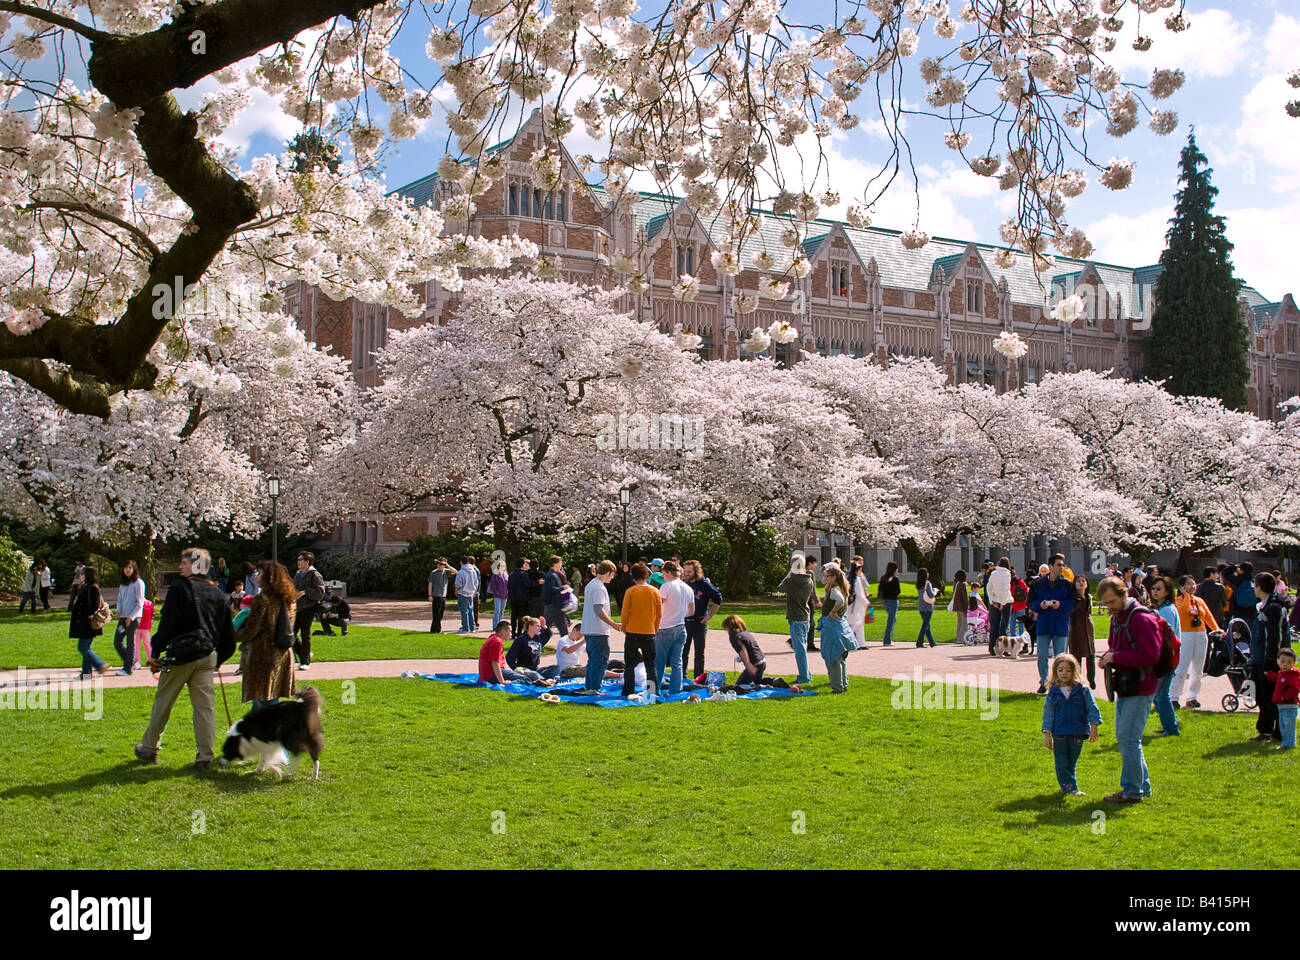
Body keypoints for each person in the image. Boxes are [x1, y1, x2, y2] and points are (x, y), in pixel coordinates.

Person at [134, 548, 236, 770]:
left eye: (184, 563)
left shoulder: (180, 588)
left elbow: (168, 624)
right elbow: (228, 636)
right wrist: (218, 660)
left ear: (196, 566)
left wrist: (155, 652)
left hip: (181, 655)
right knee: (204, 709)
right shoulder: (218, 594)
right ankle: (205, 757)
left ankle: (150, 748)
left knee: (164, 703)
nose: (180, 567)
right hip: (207, 655)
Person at [1096, 575, 1161, 803]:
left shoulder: (1141, 619)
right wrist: (1109, 657)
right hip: (1125, 684)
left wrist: (1117, 656)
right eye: (1106, 603)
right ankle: (1142, 785)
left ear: (1124, 594)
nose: (1110, 607)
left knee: (1128, 739)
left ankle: (1132, 791)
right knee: (1128, 738)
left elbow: (1151, 654)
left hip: (1142, 685)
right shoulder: (1118, 617)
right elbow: (1116, 646)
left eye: (1112, 601)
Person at [237, 560, 296, 711]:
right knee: (270, 696)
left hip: (263, 654)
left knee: (263, 700)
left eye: (259, 573)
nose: (256, 576)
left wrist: (234, 635)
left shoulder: (263, 599)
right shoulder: (289, 599)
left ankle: (269, 732)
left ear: (268, 577)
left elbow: (251, 630)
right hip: (282, 652)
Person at [1041, 653, 1102, 796]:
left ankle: (1069, 786)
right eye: (1060, 670)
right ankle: (1070, 788)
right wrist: (1047, 734)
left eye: (1068, 670)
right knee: (1062, 762)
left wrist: (1094, 726)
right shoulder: (1054, 692)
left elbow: (1092, 708)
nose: (1064, 673)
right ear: (1055, 671)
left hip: (1077, 731)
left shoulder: (1082, 690)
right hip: (1060, 732)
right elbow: (1048, 713)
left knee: (1071, 762)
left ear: (1074, 671)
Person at [1249, 571, 1288, 744]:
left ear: (1260, 586)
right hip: (1258, 658)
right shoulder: (1264, 606)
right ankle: (1265, 730)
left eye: (1254, 584)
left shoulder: (1273, 608)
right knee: (1260, 695)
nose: (1253, 587)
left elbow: (1274, 636)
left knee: (1272, 697)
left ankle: (1280, 733)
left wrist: (1272, 661)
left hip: (1268, 660)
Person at [1030, 554, 1075, 694]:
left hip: (1060, 624)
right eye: (1058, 565)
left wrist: (1060, 604)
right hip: (1044, 624)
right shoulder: (1038, 584)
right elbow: (1031, 602)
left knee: (1061, 657)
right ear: (1050, 567)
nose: (1061, 567)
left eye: (1062, 565)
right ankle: (1044, 681)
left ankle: (1061, 683)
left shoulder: (1067, 585)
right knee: (1042, 655)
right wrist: (1040, 605)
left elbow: (1074, 603)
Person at [1171, 574, 1218, 710]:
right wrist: (1186, 597)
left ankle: (1192, 697)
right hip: (1185, 635)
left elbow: (1208, 616)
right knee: (1182, 667)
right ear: (1182, 587)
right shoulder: (1178, 601)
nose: (1192, 586)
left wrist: (1217, 629)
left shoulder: (1199, 601)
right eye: (1189, 584)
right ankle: (1174, 696)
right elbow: (1184, 612)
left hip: (1200, 634)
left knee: (1198, 668)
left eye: (1193, 583)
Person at [618, 562, 661, 697]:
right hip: (648, 631)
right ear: (646, 575)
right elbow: (659, 614)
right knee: (650, 664)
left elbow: (625, 613)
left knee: (630, 664)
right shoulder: (655, 591)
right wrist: (655, 627)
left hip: (632, 631)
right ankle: (653, 691)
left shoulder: (630, 591)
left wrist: (624, 627)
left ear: (633, 576)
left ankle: (628, 691)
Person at [1146, 575, 1181, 736]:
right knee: (1158, 695)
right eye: (1153, 588)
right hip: (1166, 657)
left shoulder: (1166, 610)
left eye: (1159, 589)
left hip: (1164, 658)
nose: (1155, 591)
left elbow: (1163, 636)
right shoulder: (1163, 608)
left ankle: (1171, 727)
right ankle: (1170, 724)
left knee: (1161, 696)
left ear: (1167, 591)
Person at [580, 560, 621, 694]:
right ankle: (594, 688)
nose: (612, 577)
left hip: (590, 629)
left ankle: (590, 687)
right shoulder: (599, 587)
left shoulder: (591, 585)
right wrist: (614, 624)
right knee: (600, 660)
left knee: (593, 660)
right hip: (598, 630)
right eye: (612, 575)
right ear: (608, 572)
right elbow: (599, 610)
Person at [654, 561, 695, 695]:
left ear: (669, 573)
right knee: (677, 662)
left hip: (666, 627)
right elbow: (692, 611)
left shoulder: (666, 587)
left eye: (664, 574)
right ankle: (675, 690)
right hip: (681, 627)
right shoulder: (687, 588)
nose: (663, 577)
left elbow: (658, 608)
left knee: (659, 662)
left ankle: (654, 690)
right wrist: (680, 614)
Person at [681, 559, 722, 683]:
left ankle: (698, 679)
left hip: (699, 622)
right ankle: (682, 677)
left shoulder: (704, 584)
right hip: (685, 622)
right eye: (685, 571)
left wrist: (709, 615)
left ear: (696, 571)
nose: (687, 573)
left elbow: (718, 599)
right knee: (683, 651)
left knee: (699, 653)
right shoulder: (683, 583)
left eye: (689, 571)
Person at [478, 621, 554, 686]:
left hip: (488, 674)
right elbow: (495, 663)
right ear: (503, 631)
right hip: (491, 675)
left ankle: (540, 679)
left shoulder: (492, 638)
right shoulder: (497, 641)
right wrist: (502, 682)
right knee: (526, 679)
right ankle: (510, 684)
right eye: (510, 631)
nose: (511, 634)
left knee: (554, 668)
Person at [778, 556, 815, 685]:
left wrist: (789, 574)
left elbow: (780, 587)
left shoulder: (791, 581)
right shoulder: (809, 580)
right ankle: (807, 674)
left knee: (799, 650)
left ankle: (804, 676)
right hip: (805, 616)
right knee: (802, 648)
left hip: (796, 617)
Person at [818, 564, 854, 692]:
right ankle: (843, 684)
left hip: (832, 627)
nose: (825, 579)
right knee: (841, 657)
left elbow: (839, 601)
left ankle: (837, 687)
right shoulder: (842, 587)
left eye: (827, 576)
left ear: (833, 577)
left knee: (832, 657)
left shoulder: (835, 589)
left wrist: (833, 611)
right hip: (841, 626)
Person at [69, 565, 109, 679]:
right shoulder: (87, 587)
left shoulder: (93, 588)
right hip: (84, 623)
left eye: (83, 574)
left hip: (88, 624)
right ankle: (86, 673)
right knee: (86, 647)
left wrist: (86, 615)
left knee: (83, 647)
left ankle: (100, 664)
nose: (81, 576)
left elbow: (94, 606)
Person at [721, 614, 783, 686]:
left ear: (730, 626)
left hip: (755, 663)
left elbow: (742, 651)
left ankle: (772, 682)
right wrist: (741, 658)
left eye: (725, 627)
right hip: (762, 661)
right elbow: (750, 648)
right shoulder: (745, 633)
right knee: (757, 680)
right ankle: (774, 681)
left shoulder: (734, 636)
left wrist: (748, 665)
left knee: (740, 685)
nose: (725, 630)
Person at [113, 560, 147, 676]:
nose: (127, 570)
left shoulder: (139, 583)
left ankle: (128, 669)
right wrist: (118, 610)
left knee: (130, 642)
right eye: (125, 568)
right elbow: (120, 599)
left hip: (134, 618)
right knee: (117, 642)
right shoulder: (123, 584)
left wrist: (131, 617)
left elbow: (140, 602)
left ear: (134, 569)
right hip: (123, 617)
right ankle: (131, 662)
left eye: (129, 568)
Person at [292, 551, 325, 670]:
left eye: (301, 559)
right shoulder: (298, 574)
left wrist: (306, 592)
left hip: (308, 608)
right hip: (296, 608)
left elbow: (320, 593)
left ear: (307, 562)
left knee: (305, 634)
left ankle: (305, 662)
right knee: (291, 634)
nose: (298, 562)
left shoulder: (314, 575)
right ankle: (304, 654)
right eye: (298, 559)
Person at [1067, 574, 1097, 690]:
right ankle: (1077, 680)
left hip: (1088, 628)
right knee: (1077, 656)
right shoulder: (1072, 599)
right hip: (1076, 628)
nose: (1081, 583)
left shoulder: (1089, 597)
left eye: (1083, 581)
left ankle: (1092, 680)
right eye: (1078, 581)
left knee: (1091, 655)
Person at [1268, 647, 1300, 751]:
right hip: (1281, 705)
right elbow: (1275, 677)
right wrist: (1268, 674)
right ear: (1278, 661)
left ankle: (1289, 744)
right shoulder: (1281, 674)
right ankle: (1286, 743)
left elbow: (1295, 689)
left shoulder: (1292, 676)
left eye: (1289, 662)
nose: (1285, 664)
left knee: (1288, 726)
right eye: (1283, 661)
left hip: (1289, 705)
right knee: (1282, 725)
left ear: (1293, 664)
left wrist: (1284, 697)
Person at [986, 557, 1013, 656]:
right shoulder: (1007, 574)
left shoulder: (993, 573)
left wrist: (992, 600)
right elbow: (1006, 590)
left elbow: (989, 588)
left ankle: (992, 648)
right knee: (1004, 626)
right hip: (1005, 602)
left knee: (994, 626)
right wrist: (1003, 603)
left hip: (995, 602)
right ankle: (1004, 648)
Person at [1195, 566, 1227, 641]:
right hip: (1217, 617)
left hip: (1203, 617)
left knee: (1206, 640)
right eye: (1216, 574)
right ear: (1211, 574)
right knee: (1218, 640)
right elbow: (1224, 602)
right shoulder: (1219, 587)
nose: (1217, 576)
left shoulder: (1199, 587)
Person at [846, 556, 870, 650]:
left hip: (854, 606)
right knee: (855, 625)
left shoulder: (851, 578)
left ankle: (861, 643)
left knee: (859, 625)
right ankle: (848, 642)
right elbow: (860, 594)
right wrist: (867, 602)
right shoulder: (857, 579)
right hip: (857, 606)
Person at [541, 555, 568, 638]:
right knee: (560, 626)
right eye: (560, 562)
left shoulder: (554, 574)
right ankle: (566, 644)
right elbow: (550, 588)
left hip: (555, 604)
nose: (561, 564)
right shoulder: (552, 575)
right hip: (553, 605)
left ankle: (566, 643)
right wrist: (562, 588)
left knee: (560, 625)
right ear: (555, 564)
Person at [454, 555, 481, 634]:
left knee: (464, 612)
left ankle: (465, 628)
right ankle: (472, 627)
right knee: (470, 611)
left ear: (461, 562)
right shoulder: (473, 571)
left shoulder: (461, 572)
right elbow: (476, 583)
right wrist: (474, 592)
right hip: (471, 594)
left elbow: (458, 584)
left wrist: (456, 592)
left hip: (462, 593)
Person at [507, 559, 531, 636]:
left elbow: (508, 586)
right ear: (523, 565)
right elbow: (528, 584)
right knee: (521, 616)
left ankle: (513, 632)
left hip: (513, 598)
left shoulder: (511, 574)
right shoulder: (523, 574)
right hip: (522, 598)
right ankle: (519, 632)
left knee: (514, 616)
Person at [428, 557, 453, 633]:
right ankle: (436, 629)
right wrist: (430, 595)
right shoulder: (434, 573)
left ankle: (435, 629)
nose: (439, 565)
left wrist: (447, 565)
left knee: (441, 613)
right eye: (438, 564)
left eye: (441, 564)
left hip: (443, 596)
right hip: (436, 595)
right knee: (436, 613)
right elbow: (430, 584)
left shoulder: (446, 571)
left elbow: (455, 572)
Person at [915, 568, 937, 648]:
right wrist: (935, 591)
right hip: (928, 607)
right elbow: (931, 595)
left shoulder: (918, 584)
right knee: (925, 626)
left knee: (927, 625)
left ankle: (932, 642)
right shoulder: (928, 583)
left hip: (921, 607)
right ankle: (919, 642)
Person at [805, 557, 821, 651]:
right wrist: (817, 600)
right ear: (810, 563)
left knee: (807, 622)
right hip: (809, 601)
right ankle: (810, 644)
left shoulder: (800, 571)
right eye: (814, 563)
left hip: (802, 600)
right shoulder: (810, 573)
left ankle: (796, 641)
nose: (815, 565)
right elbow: (813, 589)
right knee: (811, 622)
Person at [488, 559, 509, 632]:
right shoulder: (495, 575)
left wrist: (507, 592)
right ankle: (495, 625)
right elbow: (492, 585)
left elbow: (508, 585)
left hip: (505, 595)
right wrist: (496, 592)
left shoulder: (506, 575)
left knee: (502, 611)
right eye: (501, 566)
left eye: (503, 566)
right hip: (497, 596)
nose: (502, 567)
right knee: (497, 610)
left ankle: (499, 625)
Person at [951, 570, 969, 644]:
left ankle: (958, 637)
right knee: (964, 622)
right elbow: (964, 598)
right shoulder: (962, 585)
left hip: (957, 606)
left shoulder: (956, 584)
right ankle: (961, 638)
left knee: (959, 622)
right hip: (962, 606)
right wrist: (967, 606)